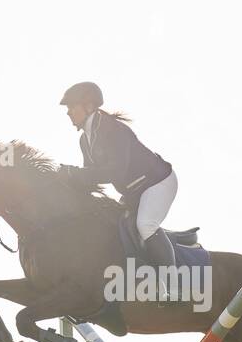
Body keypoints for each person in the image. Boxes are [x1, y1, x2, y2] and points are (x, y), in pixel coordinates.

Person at [60, 81, 179, 300]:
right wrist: (63, 182)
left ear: (88, 106)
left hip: (158, 182)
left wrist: (74, 173)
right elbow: (91, 177)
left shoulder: (112, 129)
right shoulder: (85, 140)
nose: (68, 112)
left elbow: (114, 171)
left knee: (145, 224)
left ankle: (172, 287)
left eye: (71, 106)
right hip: (135, 191)